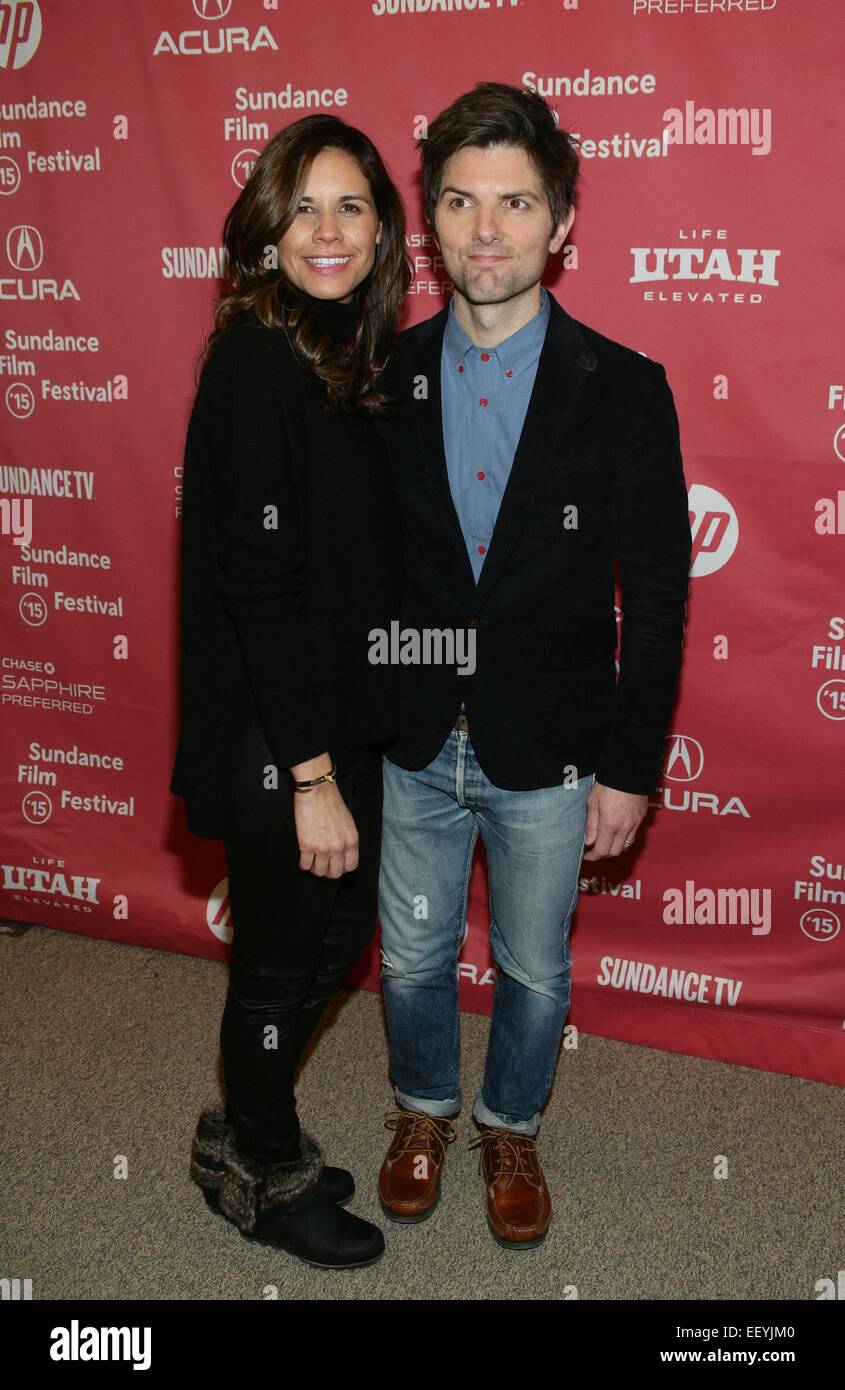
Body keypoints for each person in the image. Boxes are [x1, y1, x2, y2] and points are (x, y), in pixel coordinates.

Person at [373, 83, 693, 1248]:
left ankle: (509, 1124)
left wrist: (629, 764)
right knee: (406, 952)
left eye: (515, 202)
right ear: (432, 221)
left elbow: (655, 592)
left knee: (532, 969)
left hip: (553, 745)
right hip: (410, 737)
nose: (485, 229)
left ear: (560, 223)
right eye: (460, 201)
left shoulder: (622, 388)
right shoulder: (385, 376)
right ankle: (420, 1113)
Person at [169, 113, 411, 1269]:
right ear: (265, 232)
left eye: (351, 205)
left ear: (381, 230)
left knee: (328, 944)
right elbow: (259, 587)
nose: (327, 229)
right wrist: (310, 774)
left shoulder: (337, 358)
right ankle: (260, 1171)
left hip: (328, 717)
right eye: (302, 206)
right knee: (285, 957)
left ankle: (246, 1122)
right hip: (283, 738)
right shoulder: (262, 359)